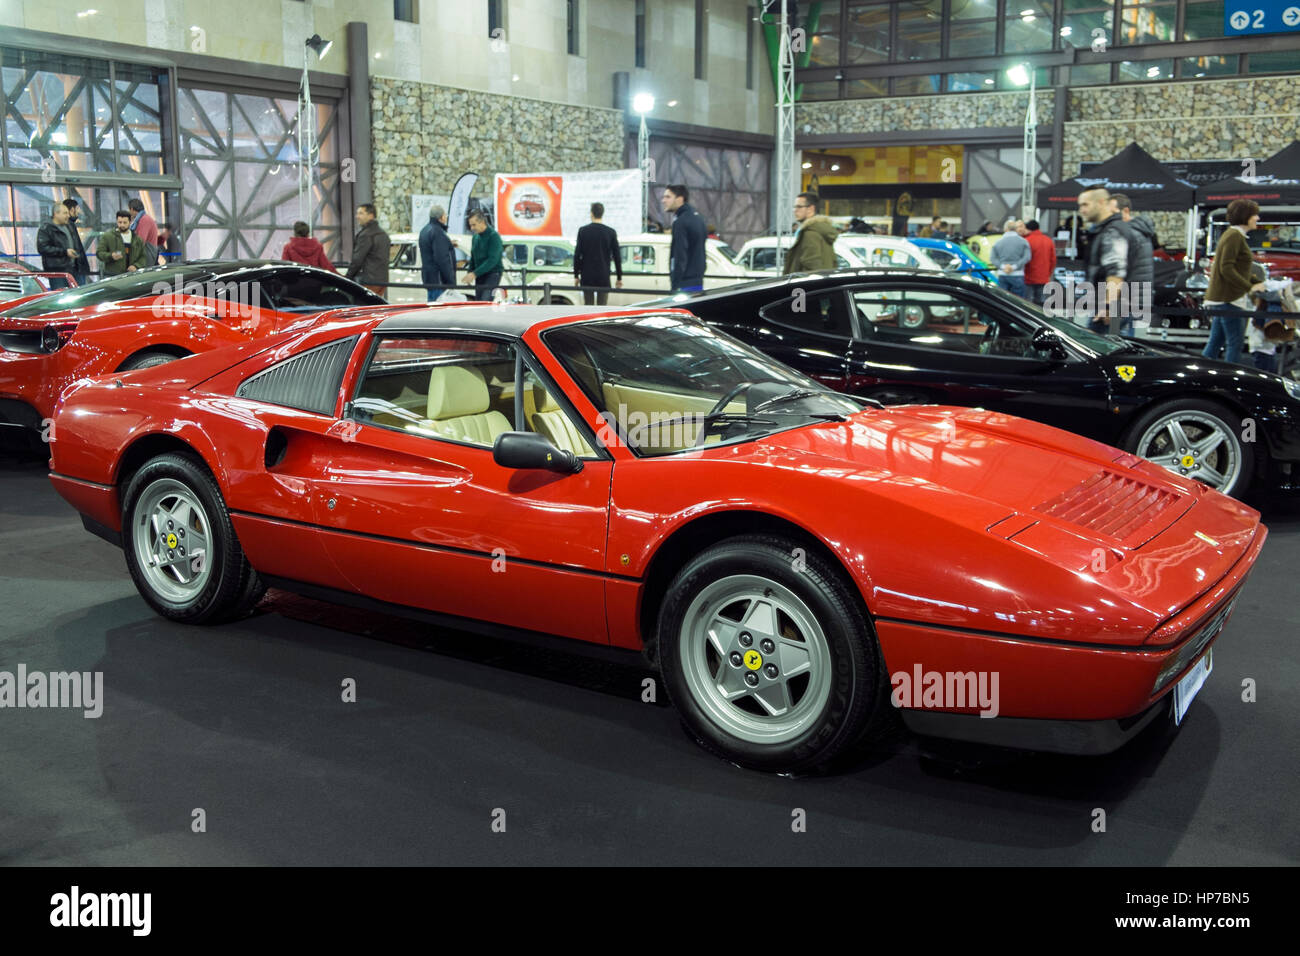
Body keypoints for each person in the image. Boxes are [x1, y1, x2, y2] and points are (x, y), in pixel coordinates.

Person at [1202, 199, 1267, 366]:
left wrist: (1257, 282)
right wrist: (1250, 286)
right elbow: (1227, 268)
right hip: (1229, 300)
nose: (1257, 218)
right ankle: (1232, 381)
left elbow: (1238, 269)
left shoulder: (1233, 235)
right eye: (1255, 215)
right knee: (1235, 343)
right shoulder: (1234, 236)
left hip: (1225, 299)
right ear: (1245, 216)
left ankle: (1200, 374)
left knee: (1215, 343)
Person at [1078, 188, 1136, 336]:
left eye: (1085, 205)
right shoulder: (1105, 230)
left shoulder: (1112, 231)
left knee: (1093, 348)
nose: (1081, 210)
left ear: (1101, 202)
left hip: (1111, 305)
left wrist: (1108, 305)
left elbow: (1116, 271)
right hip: (1111, 303)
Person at [573, 202, 623, 305]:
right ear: (602, 213)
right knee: (602, 307)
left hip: (587, 275)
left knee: (588, 306)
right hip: (603, 275)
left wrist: (576, 275)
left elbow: (577, 255)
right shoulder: (611, 232)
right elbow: (617, 256)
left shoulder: (583, 231)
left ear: (591, 213)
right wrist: (619, 277)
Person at [662, 184, 706, 292]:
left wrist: (675, 284)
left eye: (668, 197)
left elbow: (679, 255)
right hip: (697, 280)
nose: (663, 200)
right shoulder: (698, 218)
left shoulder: (680, 222)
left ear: (680, 199)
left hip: (684, 283)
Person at [782, 192, 838, 275]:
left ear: (810, 209)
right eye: (794, 207)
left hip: (806, 286)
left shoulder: (810, 233)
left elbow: (811, 265)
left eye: (799, 207)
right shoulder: (820, 230)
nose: (795, 210)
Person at [346, 202, 390, 296]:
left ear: (371, 215)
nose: (357, 216)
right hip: (382, 280)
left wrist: (348, 277)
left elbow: (357, 259)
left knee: (363, 307)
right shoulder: (383, 234)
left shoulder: (366, 235)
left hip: (368, 280)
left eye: (361, 213)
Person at [418, 205, 456, 301]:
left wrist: (447, 243)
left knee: (432, 308)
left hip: (429, 278)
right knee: (439, 311)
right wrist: (450, 281)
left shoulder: (424, 230)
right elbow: (442, 259)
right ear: (442, 217)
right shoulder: (438, 232)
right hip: (439, 280)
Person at [96, 209, 149, 276]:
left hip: (132, 276)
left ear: (130, 222)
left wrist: (136, 266)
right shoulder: (108, 236)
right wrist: (111, 256)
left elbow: (143, 257)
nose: (122, 225)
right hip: (113, 276)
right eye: (120, 222)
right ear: (116, 222)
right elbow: (99, 253)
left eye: (124, 222)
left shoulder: (137, 239)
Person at [464, 210, 503, 301]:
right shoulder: (475, 237)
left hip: (493, 274)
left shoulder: (494, 236)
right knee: (478, 302)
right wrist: (470, 273)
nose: (471, 228)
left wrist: (474, 273)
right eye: (470, 225)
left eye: (474, 225)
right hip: (480, 275)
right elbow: (473, 257)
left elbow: (492, 260)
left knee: (485, 301)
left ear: (482, 222)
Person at [36, 203, 78, 287]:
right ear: (56, 214)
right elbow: (43, 248)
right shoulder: (46, 228)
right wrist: (64, 252)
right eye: (65, 213)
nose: (68, 215)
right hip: (57, 271)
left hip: (71, 269)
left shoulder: (69, 227)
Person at [990, 218, 1031, 298]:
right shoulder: (1023, 242)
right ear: (1016, 229)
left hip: (1003, 274)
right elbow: (1027, 257)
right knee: (1018, 302)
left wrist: (1003, 267)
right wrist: (1014, 267)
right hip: (1018, 275)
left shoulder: (997, 242)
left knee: (1003, 300)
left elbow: (993, 259)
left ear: (1005, 229)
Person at [1021, 219, 1056, 305]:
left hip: (1028, 277)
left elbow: (1024, 259)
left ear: (1028, 229)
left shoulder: (1026, 241)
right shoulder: (1048, 240)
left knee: (1027, 303)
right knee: (1041, 303)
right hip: (1043, 277)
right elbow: (1053, 259)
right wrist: (1048, 273)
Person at [60, 199, 90, 284]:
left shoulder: (68, 225)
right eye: (77, 209)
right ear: (72, 209)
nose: (78, 212)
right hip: (76, 269)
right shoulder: (69, 225)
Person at [127, 198, 159, 264]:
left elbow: (140, 241)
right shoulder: (141, 219)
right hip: (146, 253)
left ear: (132, 209)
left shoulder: (144, 220)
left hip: (147, 254)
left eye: (129, 210)